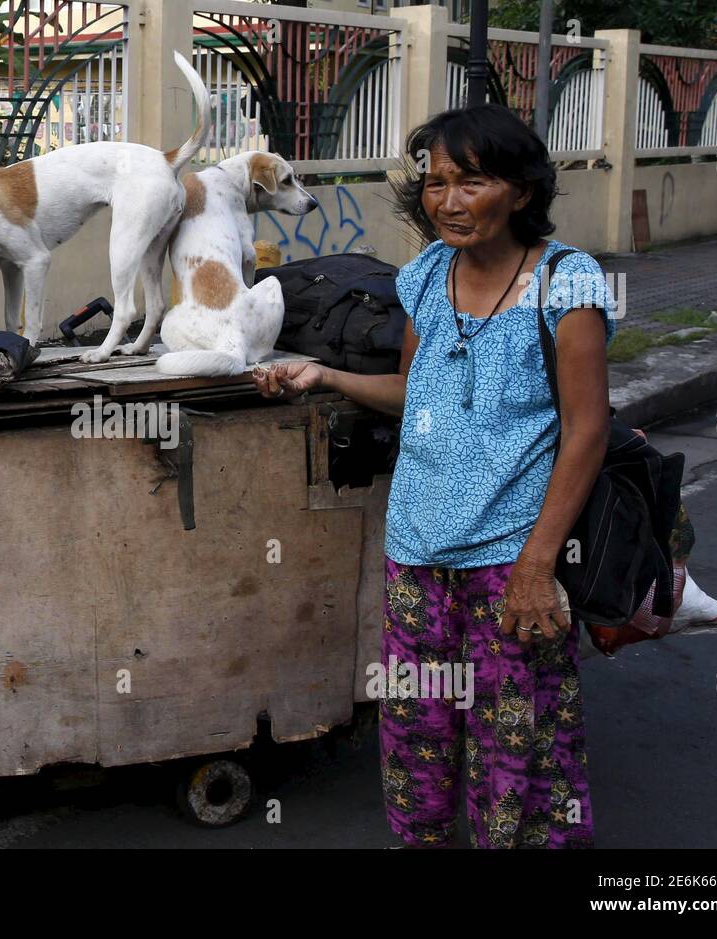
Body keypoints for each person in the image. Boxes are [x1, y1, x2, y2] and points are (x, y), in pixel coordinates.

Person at [254, 104, 617, 848]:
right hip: (415, 556)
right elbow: (413, 391)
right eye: (437, 182)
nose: (449, 199)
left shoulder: (567, 281)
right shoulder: (422, 276)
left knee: (515, 749)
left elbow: (587, 428)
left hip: (510, 557)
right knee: (418, 744)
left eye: (472, 181)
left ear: (520, 190)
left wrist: (538, 563)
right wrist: (322, 373)